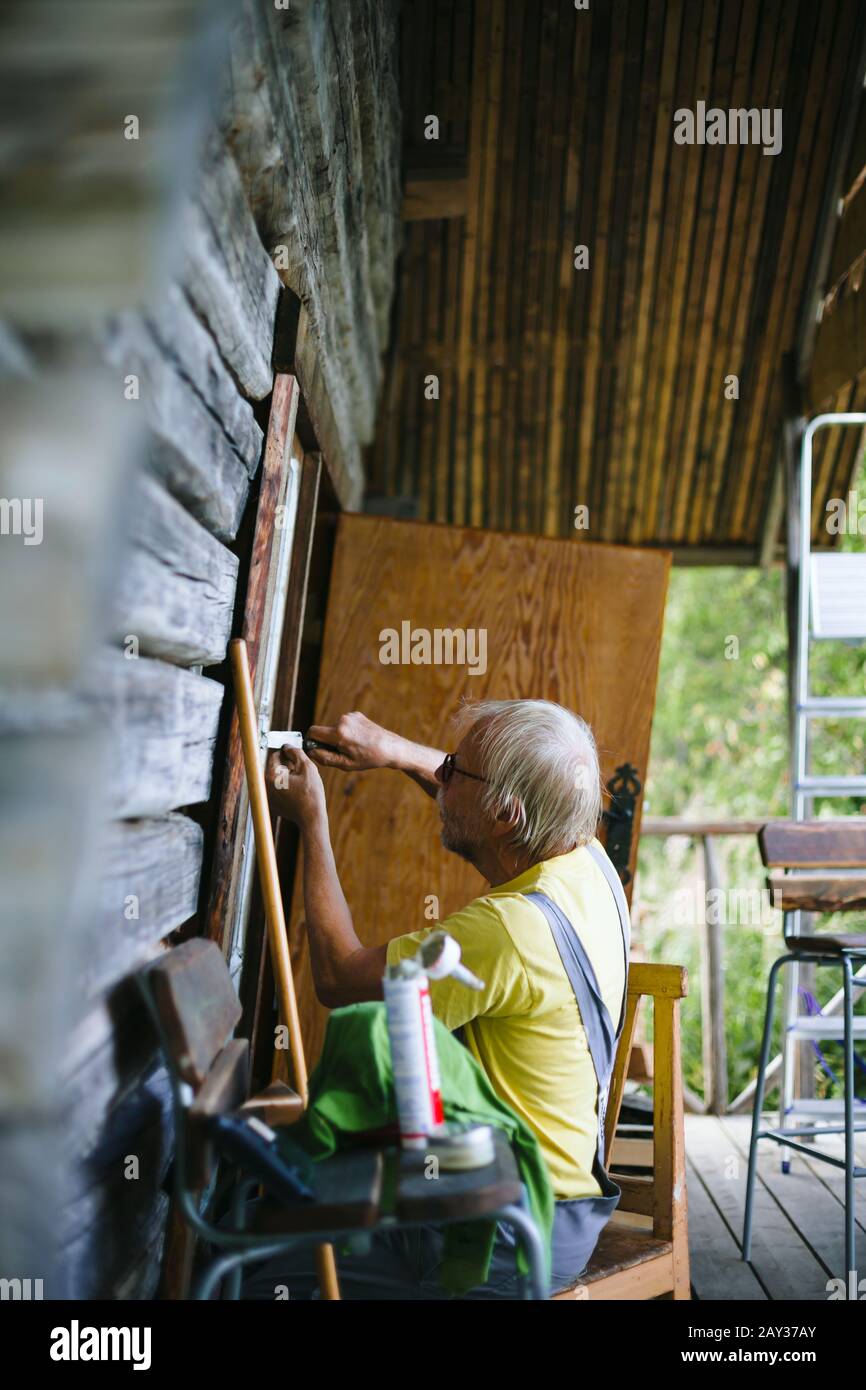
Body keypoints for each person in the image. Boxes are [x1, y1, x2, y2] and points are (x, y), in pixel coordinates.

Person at [245, 698, 629, 1299]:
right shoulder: (585, 859)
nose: (441, 776)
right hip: (557, 1204)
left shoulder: (508, 931)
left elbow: (340, 980)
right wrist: (393, 751)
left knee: (263, 1260)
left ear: (506, 812)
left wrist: (312, 819)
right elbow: (484, 805)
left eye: (456, 771)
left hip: (499, 1234)